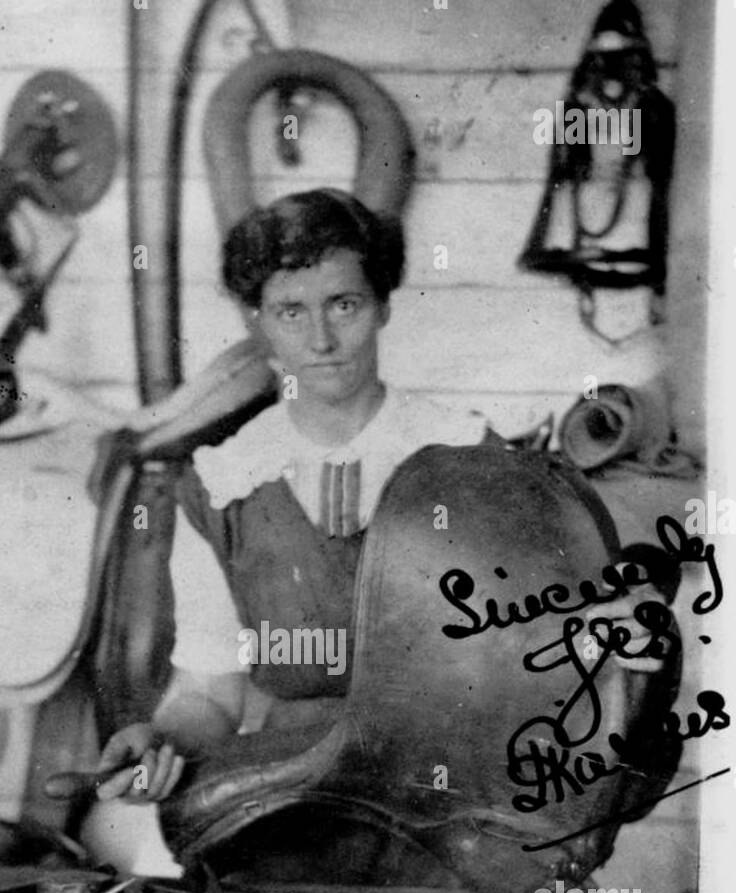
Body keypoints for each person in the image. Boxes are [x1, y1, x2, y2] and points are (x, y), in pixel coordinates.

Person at [95, 187, 665, 804]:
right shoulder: (222, 482)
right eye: (290, 311)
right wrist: (159, 740)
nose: (321, 340)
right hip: (296, 799)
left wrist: (601, 631)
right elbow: (209, 694)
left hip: (455, 794)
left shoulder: (466, 453)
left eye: (344, 305)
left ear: (383, 305)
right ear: (257, 321)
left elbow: (537, 638)